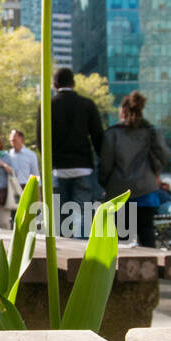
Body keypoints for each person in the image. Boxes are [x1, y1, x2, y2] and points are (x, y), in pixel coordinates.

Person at [98, 91, 171, 247]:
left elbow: (105, 164)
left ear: (122, 111)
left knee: (121, 239)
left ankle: (121, 270)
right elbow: (165, 155)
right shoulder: (150, 132)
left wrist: (104, 183)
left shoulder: (113, 134)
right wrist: (155, 169)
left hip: (119, 192)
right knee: (147, 234)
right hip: (146, 190)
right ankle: (151, 268)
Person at [48, 67, 106, 231]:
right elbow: (98, 137)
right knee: (84, 218)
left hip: (58, 169)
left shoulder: (47, 106)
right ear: (74, 83)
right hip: (83, 168)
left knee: (61, 221)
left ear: (54, 85)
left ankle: (61, 253)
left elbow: (41, 139)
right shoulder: (87, 105)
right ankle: (82, 254)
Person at [4, 128, 39, 209]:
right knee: (14, 212)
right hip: (13, 189)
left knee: (28, 212)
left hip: (27, 187)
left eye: (14, 138)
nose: (11, 139)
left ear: (21, 139)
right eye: (11, 139)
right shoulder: (7, 155)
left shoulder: (31, 155)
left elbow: (36, 174)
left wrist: (38, 192)